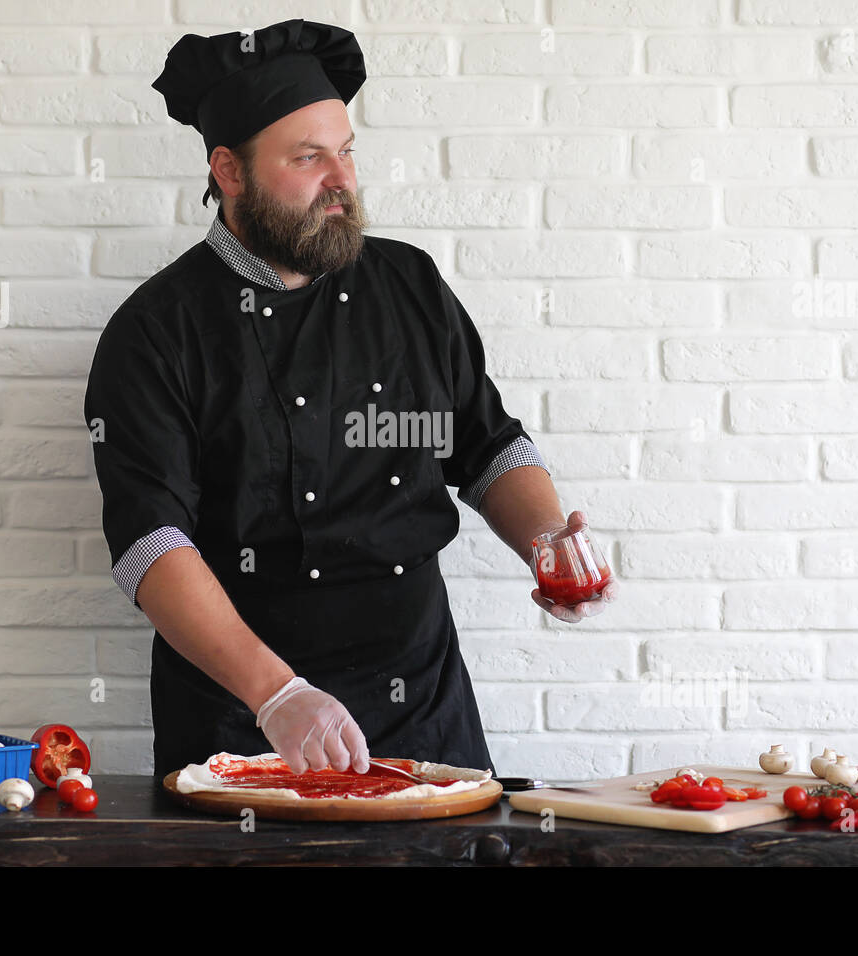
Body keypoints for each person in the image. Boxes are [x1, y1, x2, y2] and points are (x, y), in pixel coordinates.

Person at [83, 19, 618, 786]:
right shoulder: (156, 331)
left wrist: (545, 542)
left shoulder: (410, 286)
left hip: (422, 701)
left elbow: (490, 446)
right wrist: (280, 693)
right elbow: (149, 545)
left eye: (347, 152)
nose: (342, 179)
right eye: (308, 158)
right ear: (229, 172)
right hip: (244, 715)